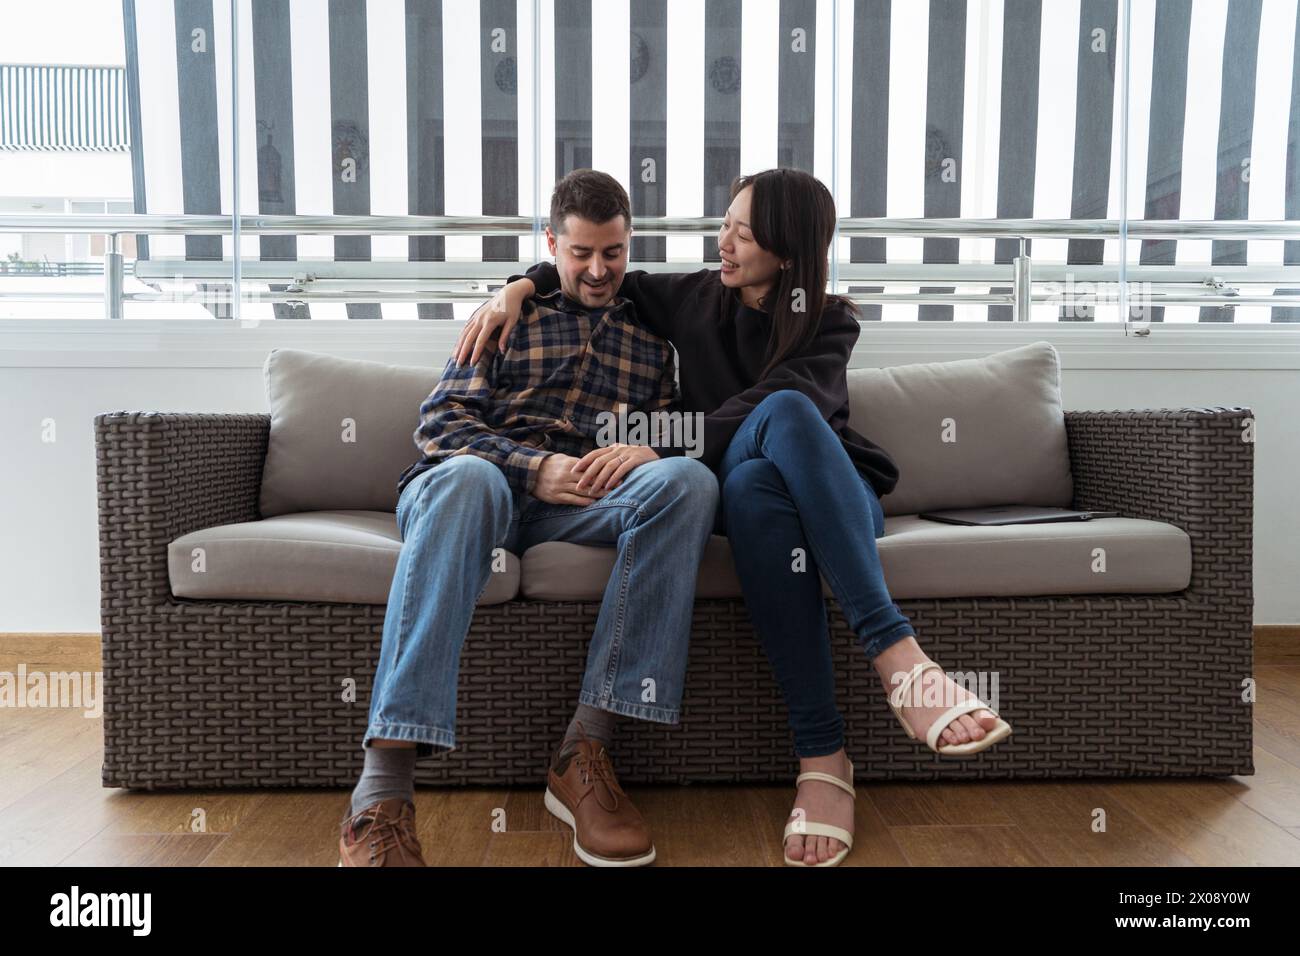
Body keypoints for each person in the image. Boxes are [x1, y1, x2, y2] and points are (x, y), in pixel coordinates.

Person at [455, 167, 1012, 868]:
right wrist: (514, 288)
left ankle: (845, 726)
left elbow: (760, 408)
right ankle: (877, 692)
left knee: (779, 423)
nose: (723, 243)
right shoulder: (696, 297)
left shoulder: (829, 321)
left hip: (834, 503)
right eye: (724, 225)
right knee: (747, 486)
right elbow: (593, 267)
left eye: (742, 234)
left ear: (785, 250)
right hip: (738, 499)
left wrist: (658, 440)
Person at [339, 169, 718, 867]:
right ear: (551, 244)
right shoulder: (508, 318)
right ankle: (382, 791)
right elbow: (441, 424)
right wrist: (530, 466)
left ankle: (584, 749)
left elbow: (678, 432)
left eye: (614, 252)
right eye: (580, 254)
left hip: (573, 509)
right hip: (468, 492)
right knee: (474, 479)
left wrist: (649, 445)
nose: (598, 270)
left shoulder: (649, 341)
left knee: (688, 482)